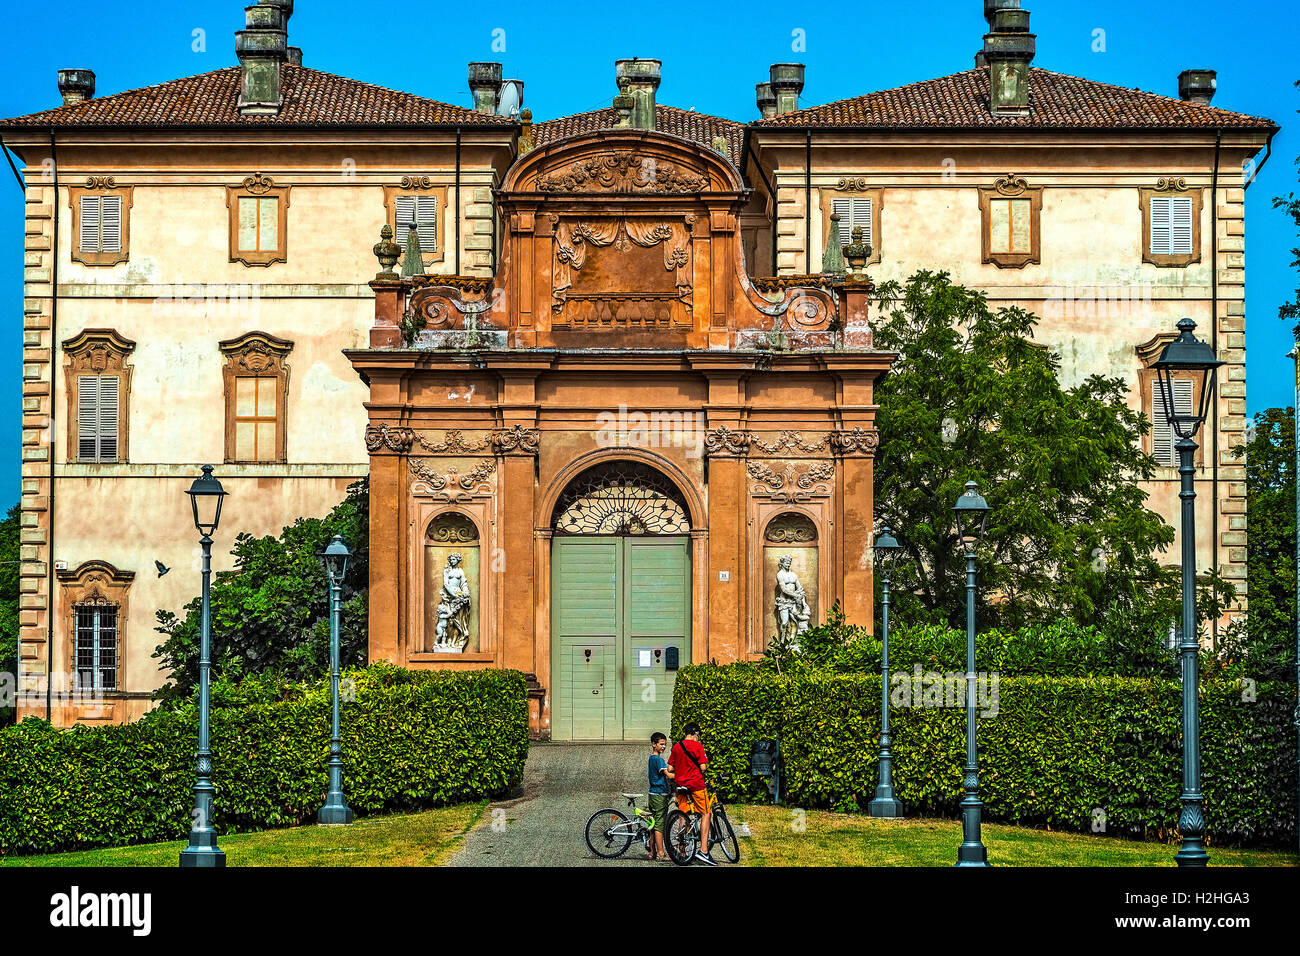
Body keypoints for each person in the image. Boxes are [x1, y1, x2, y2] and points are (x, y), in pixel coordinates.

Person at [667, 722, 716, 866]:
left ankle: (682, 851)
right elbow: (703, 767)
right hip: (696, 785)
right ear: (695, 734)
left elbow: (670, 768)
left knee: (683, 814)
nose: (698, 738)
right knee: (706, 813)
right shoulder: (697, 746)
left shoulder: (677, 746)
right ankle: (704, 851)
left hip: (681, 786)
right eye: (698, 736)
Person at [647, 732, 673, 861]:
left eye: (665, 745)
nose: (663, 747)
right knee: (659, 825)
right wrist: (683, 774)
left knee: (653, 824)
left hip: (652, 794)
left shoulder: (652, 758)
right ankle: (661, 853)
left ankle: (652, 852)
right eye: (661, 744)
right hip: (660, 795)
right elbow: (669, 775)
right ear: (653, 744)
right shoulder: (659, 759)